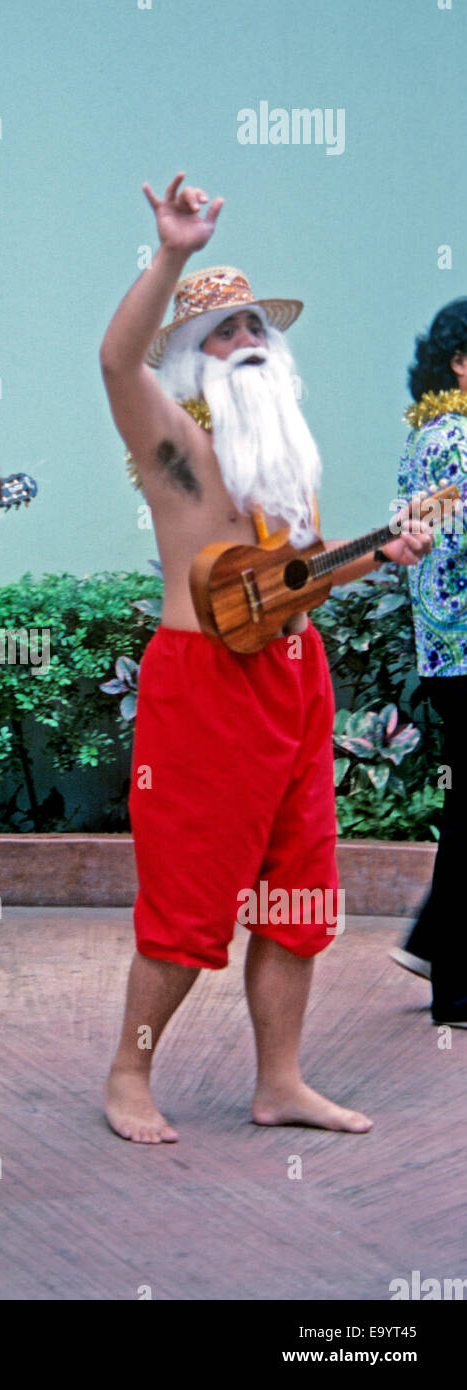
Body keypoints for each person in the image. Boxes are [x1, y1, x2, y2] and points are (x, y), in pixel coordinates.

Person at [98, 173, 433, 1144]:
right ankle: (129, 1073)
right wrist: (173, 255)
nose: (244, 342)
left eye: (256, 330)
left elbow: (296, 583)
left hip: (295, 684)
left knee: (299, 888)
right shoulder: (175, 449)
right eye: (222, 332)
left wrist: (386, 549)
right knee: (189, 900)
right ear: (193, 362)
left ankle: (279, 1079)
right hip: (200, 689)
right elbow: (117, 363)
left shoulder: (285, 461)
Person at [390, 297, 467, 1028]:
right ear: (460, 362)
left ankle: (435, 947)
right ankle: (455, 986)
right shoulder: (455, 437)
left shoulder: (434, 433)